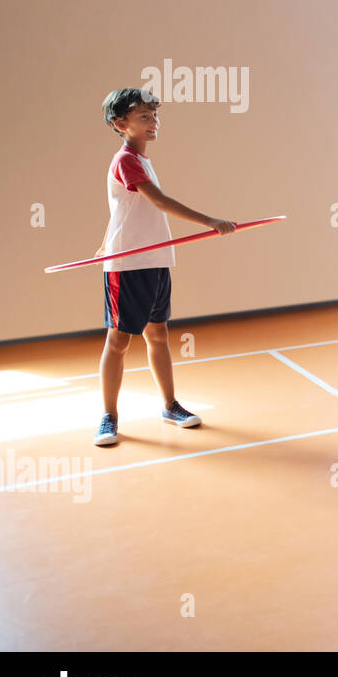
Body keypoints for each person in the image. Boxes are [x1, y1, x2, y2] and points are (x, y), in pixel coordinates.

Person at [94, 89, 236, 447]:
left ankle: (170, 406)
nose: (153, 122)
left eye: (155, 115)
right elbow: (158, 202)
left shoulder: (142, 160)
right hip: (128, 264)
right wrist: (210, 221)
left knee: (158, 335)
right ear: (120, 124)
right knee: (119, 340)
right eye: (144, 116)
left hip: (155, 260)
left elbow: (126, 211)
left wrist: (103, 239)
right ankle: (108, 417)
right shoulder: (126, 159)